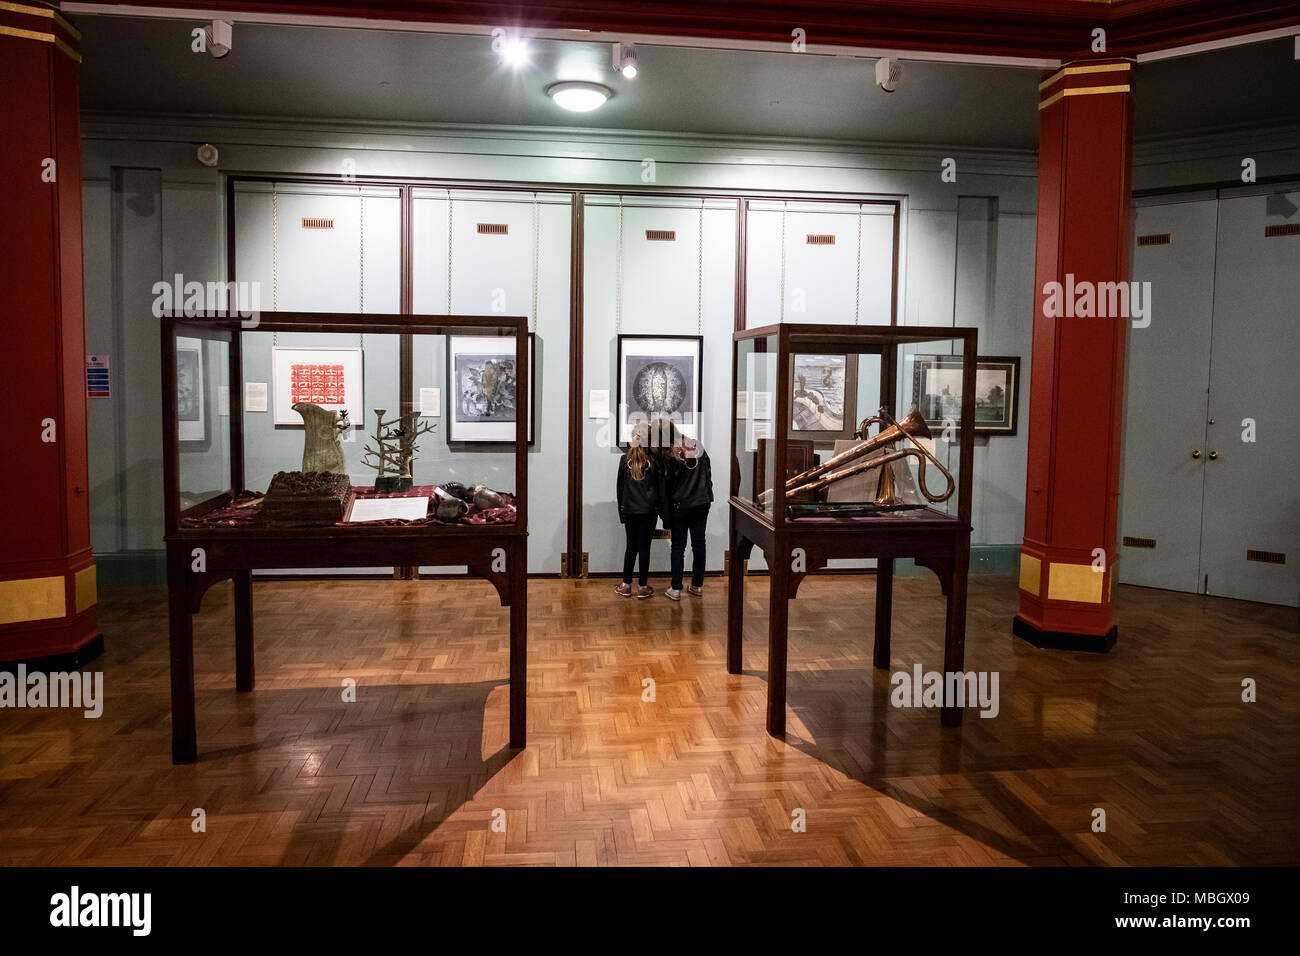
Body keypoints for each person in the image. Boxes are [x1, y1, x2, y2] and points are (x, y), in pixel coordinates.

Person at [658, 419, 713, 601]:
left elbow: (667, 487)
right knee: (699, 544)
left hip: (680, 506)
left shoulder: (669, 454)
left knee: (678, 546)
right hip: (702, 502)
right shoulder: (697, 445)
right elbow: (708, 471)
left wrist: (664, 512)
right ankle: (697, 585)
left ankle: (675, 589)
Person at [615, 422, 661, 599]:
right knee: (645, 547)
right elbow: (658, 488)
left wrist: (621, 512)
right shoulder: (653, 460)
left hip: (629, 510)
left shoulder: (624, 460)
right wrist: (659, 509)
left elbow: (619, 489)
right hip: (648, 511)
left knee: (631, 547)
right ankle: (642, 586)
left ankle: (626, 585)